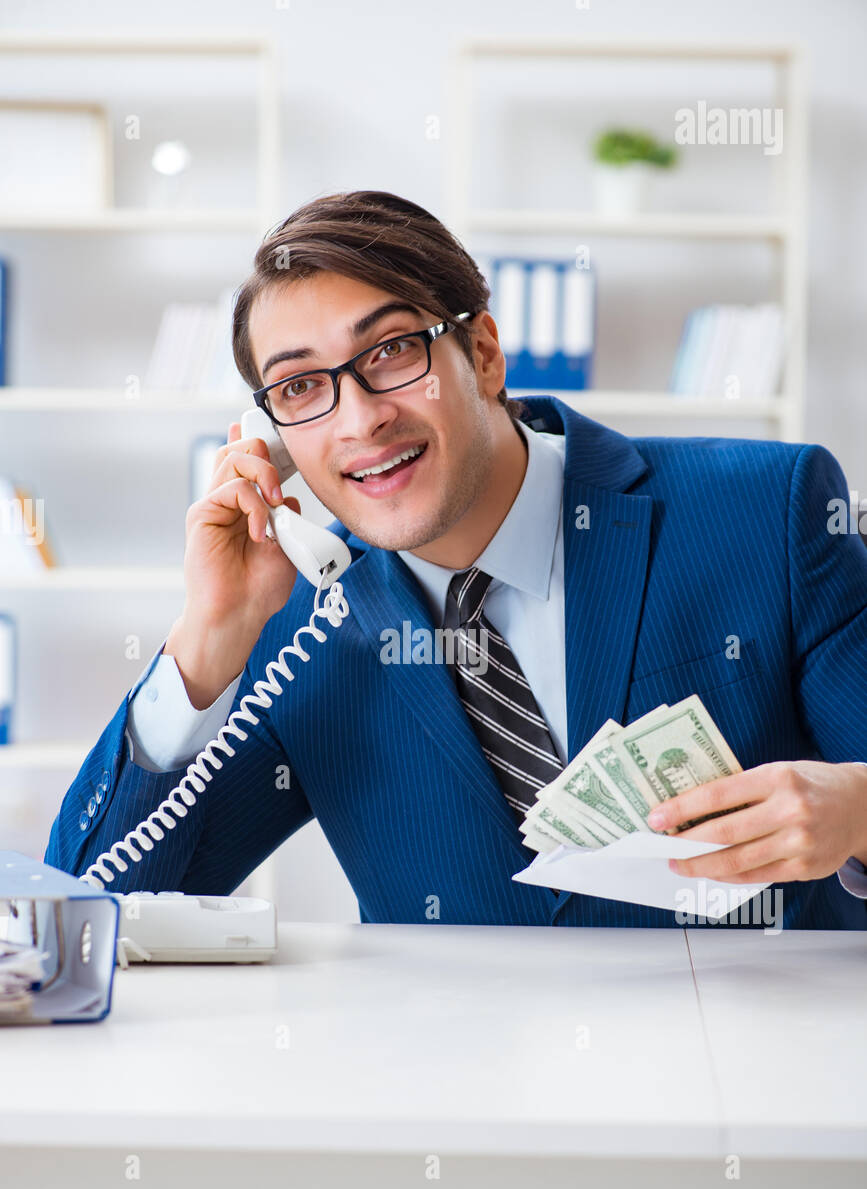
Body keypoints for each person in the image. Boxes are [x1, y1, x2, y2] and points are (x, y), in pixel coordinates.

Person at [45, 190, 867, 928]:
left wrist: (858, 810)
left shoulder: (766, 508)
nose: (359, 420)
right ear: (274, 436)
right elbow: (89, 914)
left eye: (392, 352)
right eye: (299, 388)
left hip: (751, 1070)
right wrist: (207, 638)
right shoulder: (291, 623)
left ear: (481, 353)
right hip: (453, 1084)